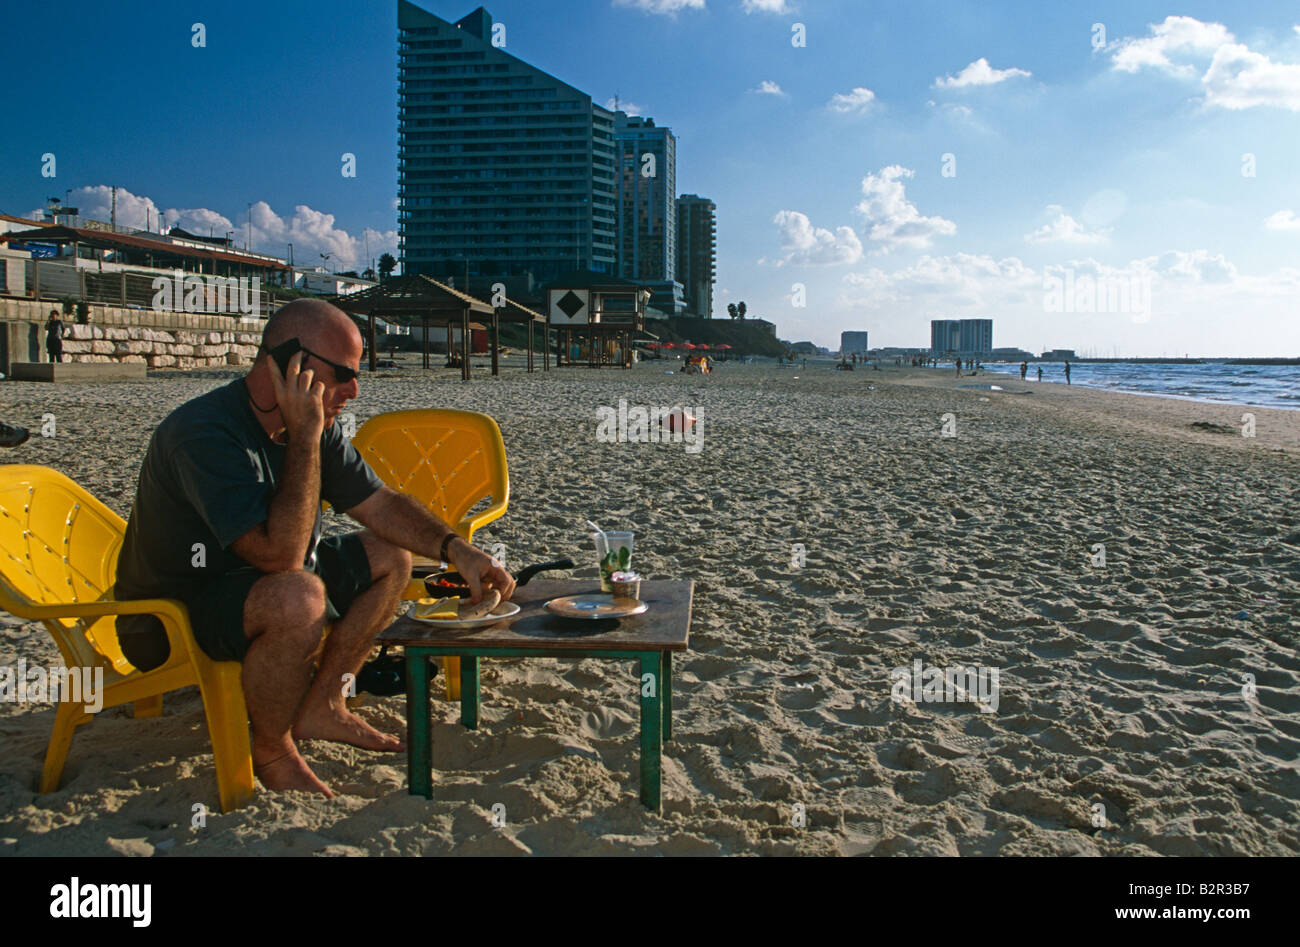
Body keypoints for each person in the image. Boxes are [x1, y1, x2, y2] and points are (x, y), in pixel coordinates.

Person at [113, 299, 514, 797]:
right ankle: (273, 747)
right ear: (292, 365)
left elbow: (380, 504)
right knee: (297, 595)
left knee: (390, 556)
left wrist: (458, 550)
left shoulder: (314, 424)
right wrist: (304, 436)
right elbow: (280, 556)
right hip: (172, 611)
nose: (354, 390)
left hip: (253, 582)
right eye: (343, 374)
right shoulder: (203, 433)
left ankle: (324, 703)